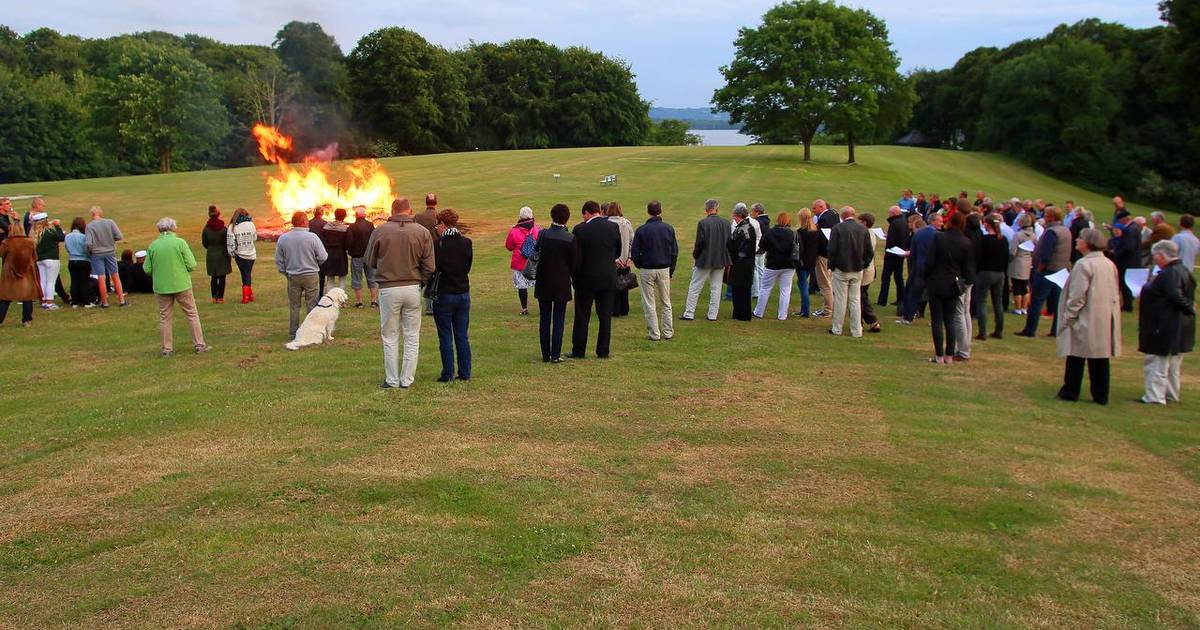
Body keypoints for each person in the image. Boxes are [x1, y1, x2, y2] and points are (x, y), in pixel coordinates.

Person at [366, 197, 435, 388]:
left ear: (392, 210)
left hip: (389, 287)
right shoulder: (422, 232)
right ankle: (406, 379)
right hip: (413, 286)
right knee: (412, 335)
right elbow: (430, 265)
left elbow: (369, 260)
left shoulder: (380, 231)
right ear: (410, 211)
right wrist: (421, 280)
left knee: (390, 335)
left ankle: (392, 379)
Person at [1056, 228, 1121, 405]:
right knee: (1099, 356)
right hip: (1103, 315)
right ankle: (1101, 394)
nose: (1077, 240)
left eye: (1080, 238)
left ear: (1089, 242)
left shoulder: (1084, 265)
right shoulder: (1109, 264)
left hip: (1086, 315)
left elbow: (1077, 295)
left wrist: (1069, 315)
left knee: (1076, 354)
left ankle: (1071, 390)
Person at [1139, 240, 1196, 405]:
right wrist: (1189, 310)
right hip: (1180, 326)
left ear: (1160, 255)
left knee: (1157, 362)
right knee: (1173, 366)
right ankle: (1171, 394)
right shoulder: (1184, 270)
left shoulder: (1169, 273)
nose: (1154, 259)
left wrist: (1188, 309)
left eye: (1155, 256)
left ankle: (1155, 397)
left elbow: (1174, 295)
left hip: (1164, 324)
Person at [143, 217, 209, 356]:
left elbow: (147, 269)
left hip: (161, 287)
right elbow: (191, 264)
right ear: (173, 228)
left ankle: (167, 348)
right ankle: (199, 344)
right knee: (191, 314)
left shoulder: (153, 245)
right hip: (181, 284)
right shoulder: (180, 243)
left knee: (165, 317)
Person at [571, 200, 621, 358]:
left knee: (582, 316)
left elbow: (576, 256)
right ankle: (603, 350)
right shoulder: (613, 227)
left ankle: (579, 350)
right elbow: (618, 252)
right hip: (607, 277)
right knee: (605, 316)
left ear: (587, 213)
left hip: (586, 279)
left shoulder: (580, 229)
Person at [925, 212, 973, 363]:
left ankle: (939, 355)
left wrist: (927, 275)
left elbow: (930, 261)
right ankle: (949, 355)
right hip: (953, 283)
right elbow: (966, 267)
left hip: (937, 281)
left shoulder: (939, 237)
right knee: (950, 320)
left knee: (937, 319)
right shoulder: (966, 242)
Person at [1017, 207, 1071, 337]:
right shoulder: (1066, 230)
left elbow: (1046, 253)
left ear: (1051, 217)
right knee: (1058, 302)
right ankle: (1055, 330)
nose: (1044, 217)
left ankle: (1030, 329)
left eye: (1046, 215)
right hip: (1061, 270)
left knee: (1037, 301)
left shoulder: (1051, 232)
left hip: (1048, 271)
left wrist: (1040, 267)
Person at [432, 208, 472, 383]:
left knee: (446, 334)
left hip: (445, 292)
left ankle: (448, 373)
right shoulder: (466, 242)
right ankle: (465, 371)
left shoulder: (438, 244)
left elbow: (435, 268)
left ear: (442, 224)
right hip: (463, 291)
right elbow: (468, 265)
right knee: (462, 335)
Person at [275, 211, 328, 341]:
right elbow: (323, 256)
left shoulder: (284, 238)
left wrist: (285, 271)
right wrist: (315, 262)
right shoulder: (312, 237)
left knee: (294, 306)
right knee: (312, 304)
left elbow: (279, 259)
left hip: (293, 275)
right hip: (310, 274)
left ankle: (293, 333)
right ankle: (311, 332)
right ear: (304, 222)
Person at [535, 204, 577, 362]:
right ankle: (555, 354)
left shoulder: (542, 234)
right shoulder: (570, 238)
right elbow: (574, 264)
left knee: (544, 318)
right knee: (559, 319)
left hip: (544, 280)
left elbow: (536, 252)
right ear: (567, 218)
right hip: (561, 282)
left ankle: (545, 354)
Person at [631, 200, 678, 341]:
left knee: (649, 303)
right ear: (660, 211)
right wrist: (671, 270)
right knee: (666, 301)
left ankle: (654, 333)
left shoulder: (641, 230)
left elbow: (634, 253)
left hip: (647, 268)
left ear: (648, 212)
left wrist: (640, 265)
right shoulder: (668, 229)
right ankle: (668, 332)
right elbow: (674, 252)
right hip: (664, 268)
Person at [826, 206, 873, 337]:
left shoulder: (838, 228)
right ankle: (857, 330)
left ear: (842, 216)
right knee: (855, 300)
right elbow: (869, 251)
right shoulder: (863, 229)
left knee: (840, 299)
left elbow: (832, 249)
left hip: (841, 268)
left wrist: (831, 265)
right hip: (857, 269)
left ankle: (837, 329)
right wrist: (864, 264)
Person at [682, 199, 730, 321]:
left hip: (705, 259)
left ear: (706, 210)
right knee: (716, 288)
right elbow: (729, 242)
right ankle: (712, 314)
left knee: (695, 286)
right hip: (720, 259)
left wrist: (696, 255)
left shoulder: (703, 223)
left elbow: (700, 242)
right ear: (717, 209)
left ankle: (689, 313)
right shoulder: (726, 223)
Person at [753, 211, 798, 321]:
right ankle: (782, 315)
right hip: (788, 265)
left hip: (773, 264)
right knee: (785, 290)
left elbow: (762, 245)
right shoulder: (792, 233)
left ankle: (759, 312)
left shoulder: (770, 232)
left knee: (765, 288)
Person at [898, 213, 941, 325]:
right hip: (933, 269)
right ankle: (935, 319)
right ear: (933, 221)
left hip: (919, 267)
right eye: (939, 221)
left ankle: (907, 317)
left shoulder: (918, 234)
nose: (942, 223)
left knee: (914, 292)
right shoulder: (938, 235)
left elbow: (913, 253)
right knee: (934, 295)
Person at [974, 214, 1010, 340]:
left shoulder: (984, 240)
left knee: (981, 302)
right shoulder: (1003, 240)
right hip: (999, 273)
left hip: (985, 272)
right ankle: (998, 330)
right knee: (998, 302)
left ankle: (982, 332)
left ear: (986, 224)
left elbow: (978, 257)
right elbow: (1007, 258)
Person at [85, 206, 127, 308]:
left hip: (97, 254)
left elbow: (89, 244)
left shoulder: (90, 226)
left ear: (92, 215)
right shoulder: (110, 222)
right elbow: (119, 236)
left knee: (101, 278)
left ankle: (105, 302)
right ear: (101, 213)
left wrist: (90, 252)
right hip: (110, 252)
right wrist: (111, 241)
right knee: (115, 276)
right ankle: (122, 300)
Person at [0, 222, 40, 327]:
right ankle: (26, 320)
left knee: (5, 298)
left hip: (10, 274)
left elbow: (2, 254)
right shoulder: (30, 242)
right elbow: (35, 257)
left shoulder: (6, 243)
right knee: (27, 297)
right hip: (27, 273)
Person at [504, 207, 539, 315]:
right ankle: (543, 307)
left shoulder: (514, 231)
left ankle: (524, 308)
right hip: (535, 262)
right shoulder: (538, 229)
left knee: (521, 286)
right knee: (539, 284)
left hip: (520, 262)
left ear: (520, 217)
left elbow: (509, 246)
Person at [1106, 210, 1141, 312]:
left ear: (1124, 219)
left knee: (1124, 282)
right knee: (1125, 283)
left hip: (1127, 261)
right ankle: (1127, 303)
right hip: (1132, 260)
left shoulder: (1130, 230)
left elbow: (1128, 247)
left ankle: (1127, 305)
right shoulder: (1134, 227)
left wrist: (1116, 253)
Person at [727, 204, 757, 321]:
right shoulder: (749, 227)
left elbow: (733, 246)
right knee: (744, 289)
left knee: (738, 289)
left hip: (739, 263)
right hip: (748, 262)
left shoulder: (740, 229)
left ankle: (739, 313)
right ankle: (743, 313)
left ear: (738, 215)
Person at [812, 199, 841, 317]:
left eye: (814, 208)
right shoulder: (834, 214)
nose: (813, 211)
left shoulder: (824, 219)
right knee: (828, 281)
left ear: (821, 207)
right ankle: (828, 307)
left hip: (823, 255)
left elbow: (822, 239)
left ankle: (828, 310)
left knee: (824, 283)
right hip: (832, 254)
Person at [30, 213, 65, 310]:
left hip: (40, 259)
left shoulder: (34, 234)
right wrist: (57, 226)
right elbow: (62, 237)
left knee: (43, 281)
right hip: (51, 258)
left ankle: (45, 301)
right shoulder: (49, 231)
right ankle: (50, 302)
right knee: (51, 281)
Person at [607, 201, 635, 318]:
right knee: (624, 285)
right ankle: (624, 308)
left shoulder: (607, 224)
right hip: (624, 259)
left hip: (613, 259)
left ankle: (615, 309)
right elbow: (632, 241)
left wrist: (615, 259)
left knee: (613, 285)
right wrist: (629, 257)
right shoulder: (626, 223)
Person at [792, 208, 821, 318]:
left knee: (803, 284)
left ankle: (805, 310)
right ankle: (804, 309)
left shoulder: (801, 232)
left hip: (802, 262)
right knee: (801, 283)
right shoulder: (815, 230)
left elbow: (799, 249)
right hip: (811, 261)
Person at [877, 205, 908, 308]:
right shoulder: (904, 221)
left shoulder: (894, 223)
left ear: (894, 213)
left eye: (890, 213)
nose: (889, 215)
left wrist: (888, 239)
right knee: (898, 277)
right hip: (900, 254)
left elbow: (892, 240)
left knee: (886, 278)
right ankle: (901, 299)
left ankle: (882, 300)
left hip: (892, 254)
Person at [856, 212, 881, 333]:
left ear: (864, 222)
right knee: (861, 296)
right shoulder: (870, 233)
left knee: (861, 297)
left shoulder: (866, 234)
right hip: (868, 269)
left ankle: (872, 321)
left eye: (859, 221)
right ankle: (863, 321)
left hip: (864, 270)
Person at [227, 208, 258, 304]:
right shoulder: (251, 224)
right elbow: (255, 238)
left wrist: (232, 254)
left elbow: (230, 243)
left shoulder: (232, 227)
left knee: (244, 274)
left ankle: (246, 297)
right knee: (247, 274)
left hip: (239, 255)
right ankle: (249, 295)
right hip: (251, 254)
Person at [416, 193, 441, 315]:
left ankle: (427, 306)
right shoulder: (439, 216)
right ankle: (433, 305)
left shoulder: (418, 216)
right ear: (435, 203)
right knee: (435, 277)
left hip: (422, 250)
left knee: (424, 277)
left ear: (426, 202)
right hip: (437, 250)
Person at [347, 206, 376, 308]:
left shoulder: (352, 227)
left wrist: (351, 252)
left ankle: (359, 302)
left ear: (356, 215)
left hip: (357, 256)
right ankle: (374, 301)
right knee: (372, 278)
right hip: (369, 256)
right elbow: (374, 240)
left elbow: (349, 242)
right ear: (365, 215)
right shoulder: (370, 225)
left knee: (356, 279)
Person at [201, 206, 231, 304]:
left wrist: (211, 248)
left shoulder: (206, 229)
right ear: (218, 214)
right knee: (222, 277)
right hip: (222, 254)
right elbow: (227, 242)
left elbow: (204, 243)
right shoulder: (223, 228)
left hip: (211, 255)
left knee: (213, 277)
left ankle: (214, 297)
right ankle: (220, 298)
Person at [64, 217, 95, 307]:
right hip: (84, 260)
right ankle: (86, 301)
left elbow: (67, 248)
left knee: (74, 281)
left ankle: (75, 301)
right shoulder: (84, 237)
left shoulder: (67, 236)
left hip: (72, 260)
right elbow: (87, 249)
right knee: (84, 281)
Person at [1009, 213, 1036, 316]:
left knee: (1017, 286)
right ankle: (1024, 308)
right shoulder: (1033, 236)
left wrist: (1009, 260)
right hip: (1027, 261)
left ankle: (1018, 308)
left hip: (1017, 261)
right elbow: (1034, 250)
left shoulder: (1018, 235)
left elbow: (1012, 251)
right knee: (1025, 286)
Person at [319, 208, 351, 291]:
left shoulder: (326, 228)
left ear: (335, 215)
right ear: (344, 216)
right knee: (342, 279)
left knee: (330, 279)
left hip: (329, 255)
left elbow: (322, 240)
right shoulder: (345, 229)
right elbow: (348, 243)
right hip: (341, 256)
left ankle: (330, 299)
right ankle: (341, 300)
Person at [751, 203, 770, 305]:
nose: (751, 213)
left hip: (757, 248)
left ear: (757, 212)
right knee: (760, 268)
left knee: (755, 269)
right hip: (763, 248)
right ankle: (761, 289)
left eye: (753, 211)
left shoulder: (758, 222)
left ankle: (756, 291)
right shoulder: (766, 220)